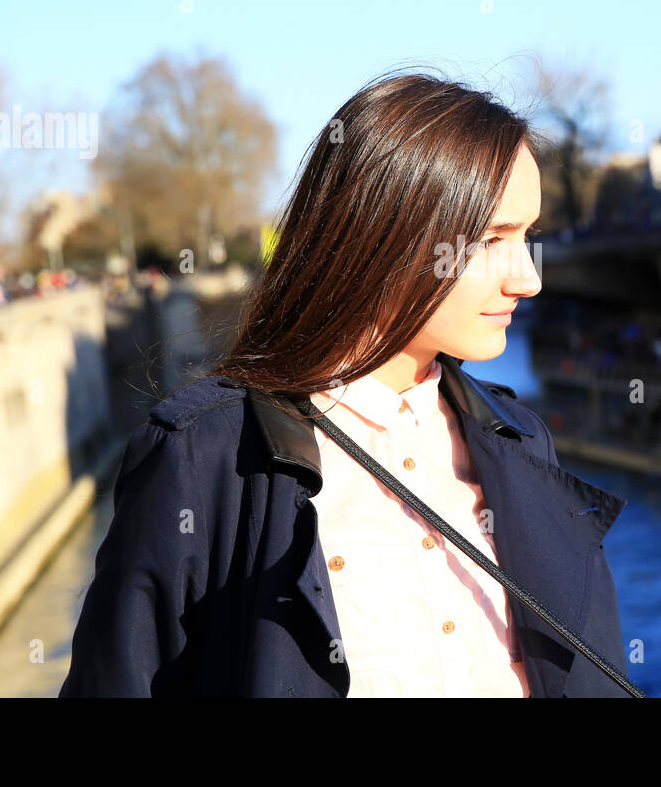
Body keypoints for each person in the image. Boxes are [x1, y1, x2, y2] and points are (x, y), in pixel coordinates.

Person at [59, 71, 630, 697]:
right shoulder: (207, 458)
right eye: (492, 240)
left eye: (528, 236)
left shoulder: (520, 442)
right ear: (388, 238)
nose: (529, 278)